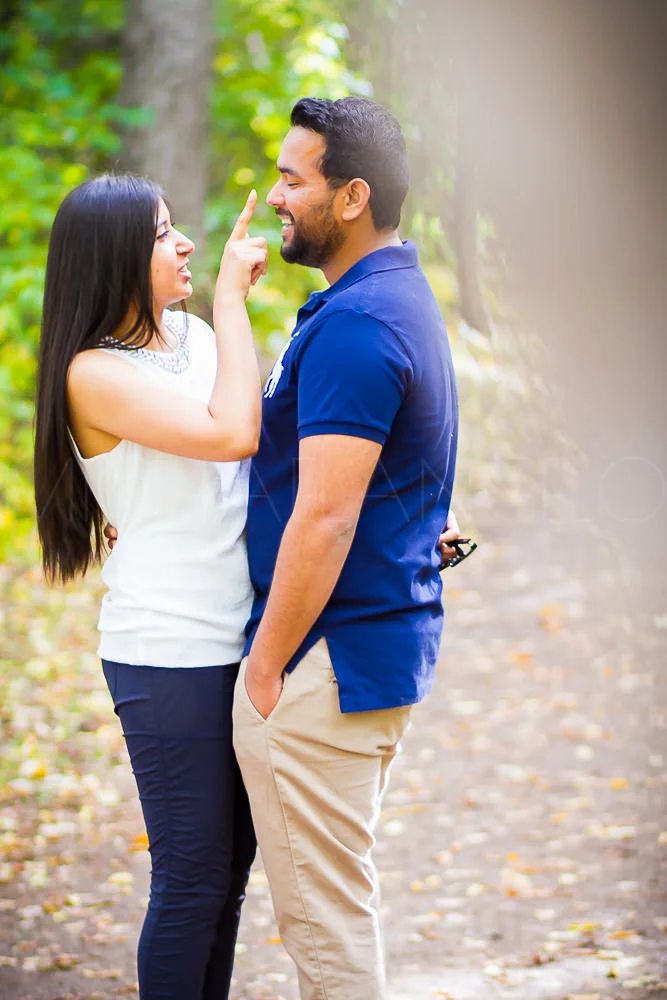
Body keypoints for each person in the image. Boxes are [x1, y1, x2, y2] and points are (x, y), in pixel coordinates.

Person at [232, 97, 460, 1000]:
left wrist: (265, 668)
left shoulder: (361, 323)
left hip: (326, 664)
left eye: (293, 179)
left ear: (352, 196)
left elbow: (324, 518)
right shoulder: (385, 301)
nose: (275, 196)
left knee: (326, 935)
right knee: (334, 915)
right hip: (362, 653)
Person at [33, 174, 268, 1000]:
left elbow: (260, 454)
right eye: (162, 233)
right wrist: (233, 302)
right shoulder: (92, 373)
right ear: (113, 259)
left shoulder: (194, 337)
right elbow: (232, 434)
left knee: (228, 879)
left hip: (244, 635)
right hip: (167, 648)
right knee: (192, 877)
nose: (186, 244)